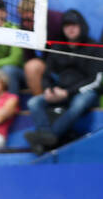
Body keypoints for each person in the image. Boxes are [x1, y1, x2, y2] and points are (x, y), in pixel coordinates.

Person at [24, 9, 103, 154]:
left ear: (82, 26)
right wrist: (48, 89)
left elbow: (95, 80)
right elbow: (47, 74)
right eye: (67, 25)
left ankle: (48, 137)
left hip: (83, 92)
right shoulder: (57, 47)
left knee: (79, 103)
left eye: (74, 25)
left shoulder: (94, 48)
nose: (70, 29)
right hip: (59, 92)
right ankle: (47, 135)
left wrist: (68, 93)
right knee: (33, 102)